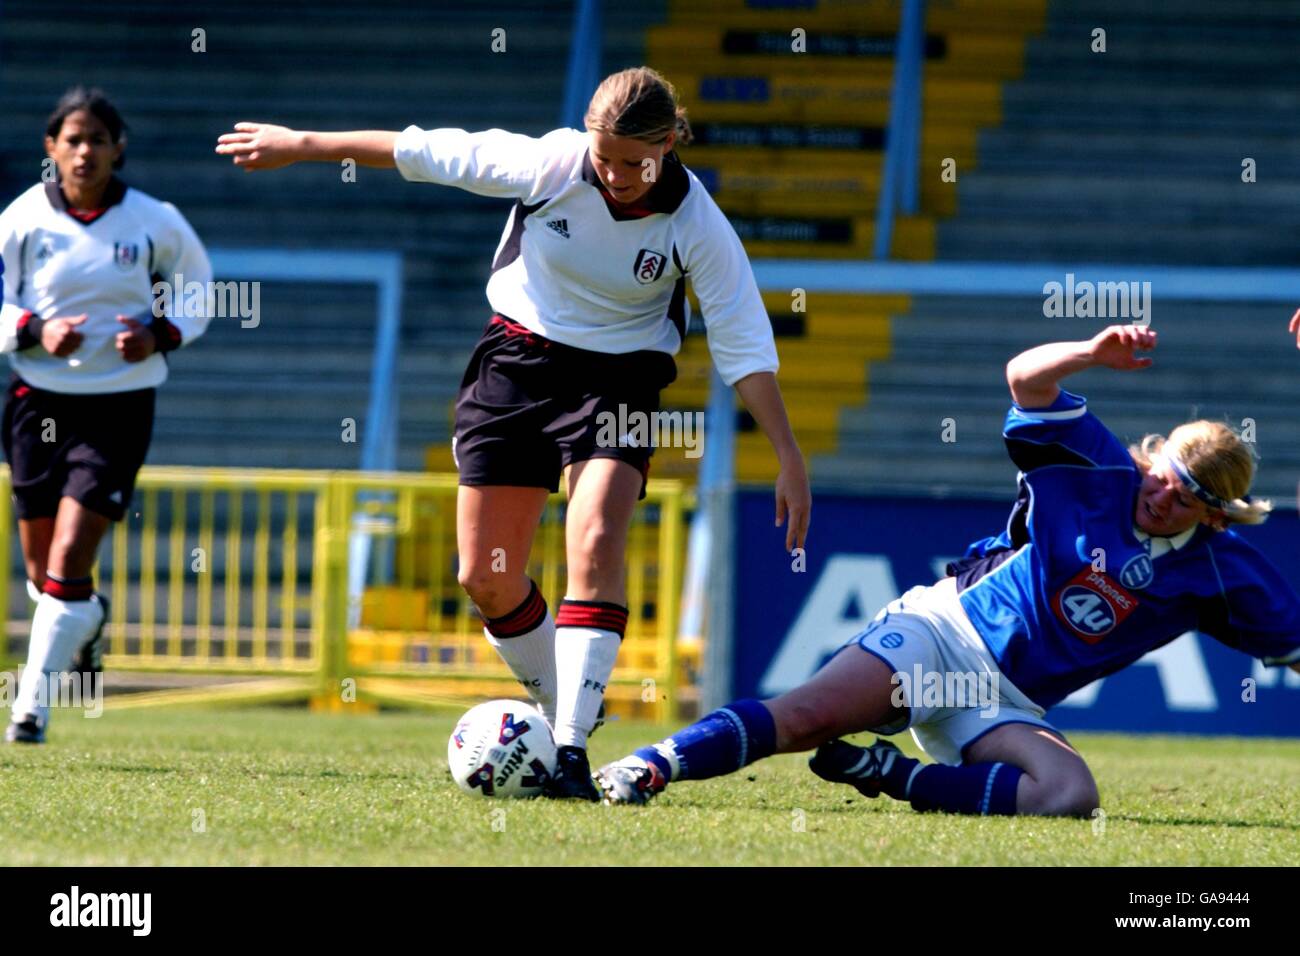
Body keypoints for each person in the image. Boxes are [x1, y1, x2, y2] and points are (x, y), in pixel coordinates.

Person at [215, 66, 811, 799]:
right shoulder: (551, 163)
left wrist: (787, 454)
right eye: (605, 158)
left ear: (668, 145)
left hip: (618, 382)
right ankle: (568, 716)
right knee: (486, 577)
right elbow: (425, 151)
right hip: (515, 365)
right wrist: (302, 143)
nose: (617, 175)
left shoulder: (697, 223)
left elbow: (745, 342)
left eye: (635, 162)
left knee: (594, 538)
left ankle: (567, 754)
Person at [596, 324, 1300, 815]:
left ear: (1216, 515)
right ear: (1158, 456)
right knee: (807, 715)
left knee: (1069, 794)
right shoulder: (1101, 469)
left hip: (1005, 704)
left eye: (1191, 497)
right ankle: (650, 764)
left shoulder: (1222, 573)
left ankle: (894, 775)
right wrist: (1088, 352)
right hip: (947, 632)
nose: (1165, 494)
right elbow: (1024, 379)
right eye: (1169, 474)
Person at [0, 87, 213, 743]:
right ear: (51, 149)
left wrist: (161, 334)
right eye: (72, 139)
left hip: (119, 404)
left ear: (118, 149)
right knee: (44, 576)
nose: (84, 150)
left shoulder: (156, 220)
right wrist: (33, 328)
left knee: (69, 552)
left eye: (97, 138)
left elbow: (200, 288)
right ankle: (87, 620)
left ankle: (29, 710)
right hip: (35, 402)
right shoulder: (23, 218)